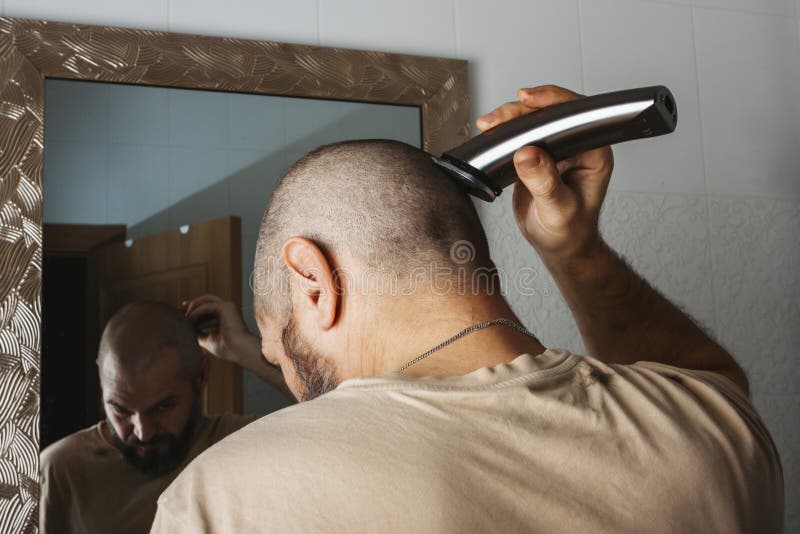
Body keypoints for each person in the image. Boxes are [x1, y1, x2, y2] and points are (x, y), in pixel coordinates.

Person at [150, 85, 783, 533]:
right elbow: (710, 380)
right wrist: (574, 249)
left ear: (313, 281)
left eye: (278, 349)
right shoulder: (713, 434)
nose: (291, 383)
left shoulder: (222, 502)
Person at [39, 300, 290, 534]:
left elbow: (328, 414)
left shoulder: (234, 444)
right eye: (121, 410)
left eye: (163, 407)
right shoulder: (60, 469)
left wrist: (243, 349)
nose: (143, 432)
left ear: (202, 375)